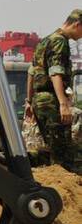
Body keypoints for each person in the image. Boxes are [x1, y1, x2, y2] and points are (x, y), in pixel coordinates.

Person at [25, 9, 82, 174]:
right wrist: (63, 104)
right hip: (51, 100)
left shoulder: (45, 41)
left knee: (51, 147)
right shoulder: (60, 41)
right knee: (62, 153)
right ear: (77, 25)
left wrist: (29, 101)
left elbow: (31, 72)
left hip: (39, 100)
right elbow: (55, 72)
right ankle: (62, 190)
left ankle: (19, 161)